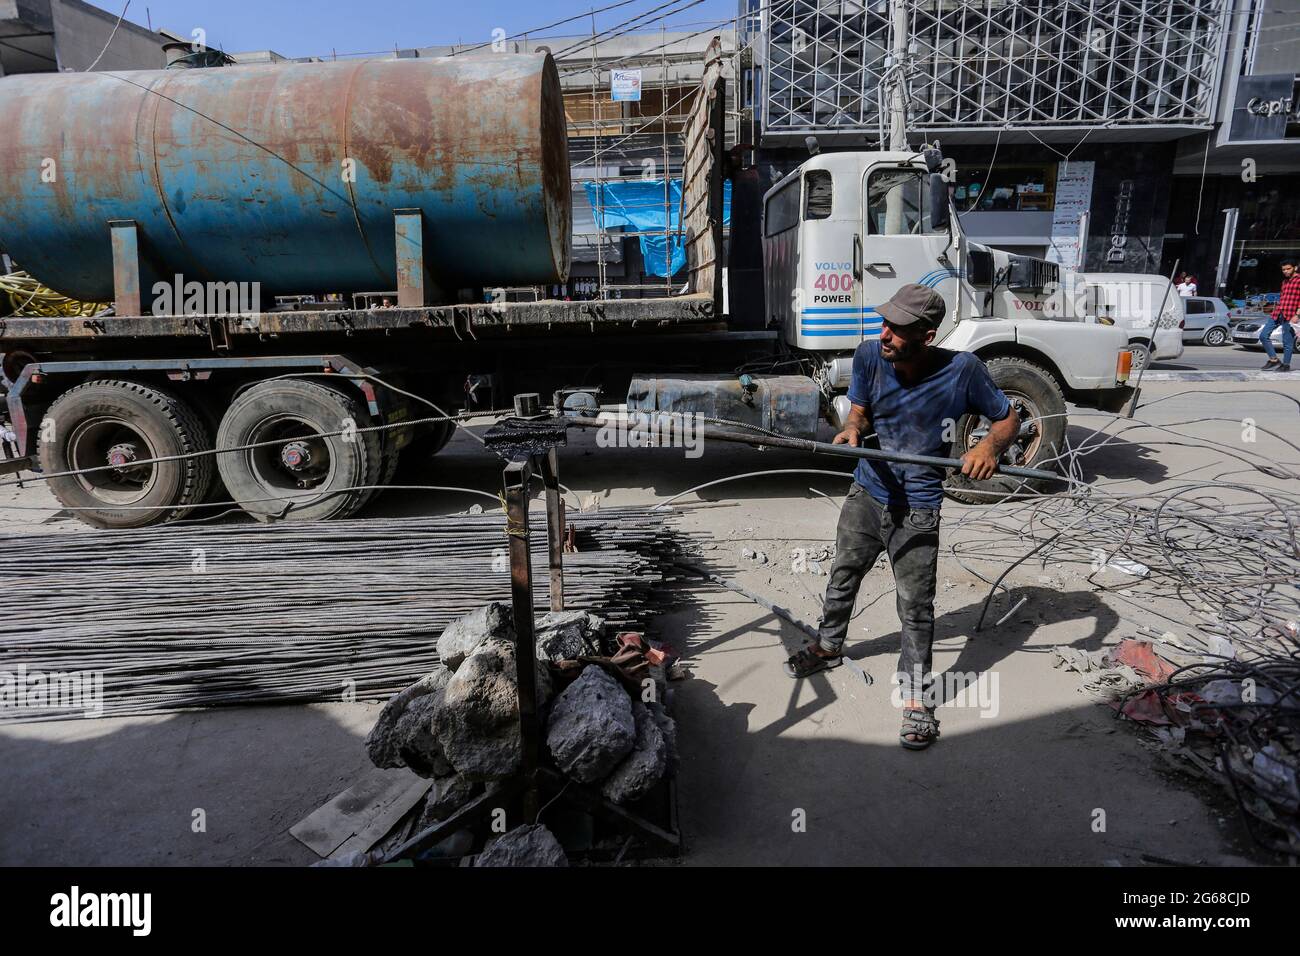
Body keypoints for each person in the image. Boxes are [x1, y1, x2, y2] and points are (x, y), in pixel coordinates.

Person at [783, 283, 1019, 750]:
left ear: (927, 336)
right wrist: (852, 429)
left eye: (897, 328)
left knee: (915, 606)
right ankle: (829, 645)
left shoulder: (962, 371)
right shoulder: (871, 355)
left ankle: (915, 698)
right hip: (868, 491)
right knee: (843, 573)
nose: (885, 333)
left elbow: (1007, 418)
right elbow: (861, 411)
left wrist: (989, 446)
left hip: (919, 505)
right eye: (884, 323)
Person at [1261, 259, 1299, 372]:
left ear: (1295, 268)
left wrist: (1297, 315)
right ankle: (1274, 360)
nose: (1286, 271)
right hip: (1278, 312)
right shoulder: (1285, 282)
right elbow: (1282, 297)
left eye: (1288, 269)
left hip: (1291, 314)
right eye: (1284, 269)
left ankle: (1286, 365)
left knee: (1287, 341)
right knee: (1263, 335)